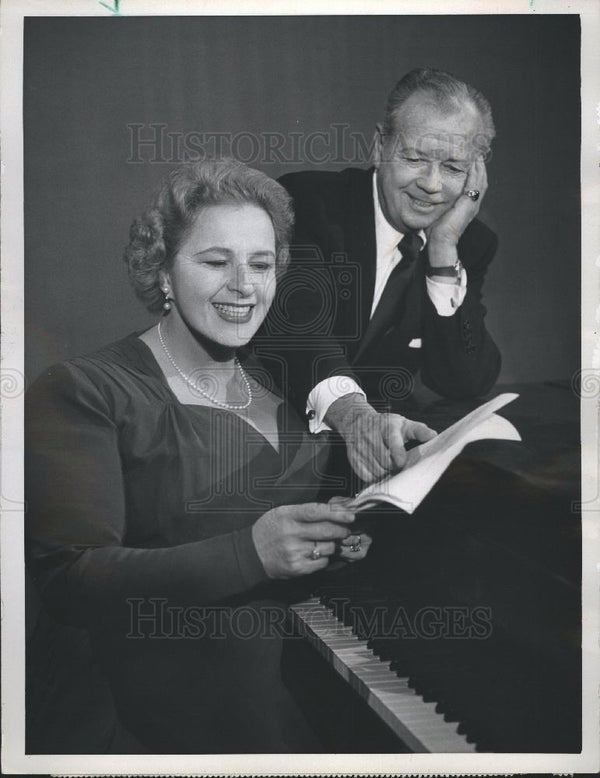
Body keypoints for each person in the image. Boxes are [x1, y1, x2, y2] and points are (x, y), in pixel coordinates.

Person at [25, 159, 374, 754]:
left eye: (261, 264)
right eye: (215, 262)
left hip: (276, 715)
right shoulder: (84, 391)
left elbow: (266, 548)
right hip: (140, 730)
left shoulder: (284, 389)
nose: (244, 285)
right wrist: (255, 552)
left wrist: (325, 545)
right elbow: (70, 579)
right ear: (161, 269)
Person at [258, 68, 500, 483]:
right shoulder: (306, 202)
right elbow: (296, 328)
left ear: (475, 175)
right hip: (272, 446)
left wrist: (442, 251)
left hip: (378, 464)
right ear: (379, 146)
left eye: (454, 167)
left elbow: (465, 379)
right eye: (414, 158)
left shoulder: (467, 243)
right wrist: (355, 417)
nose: (432, 184)